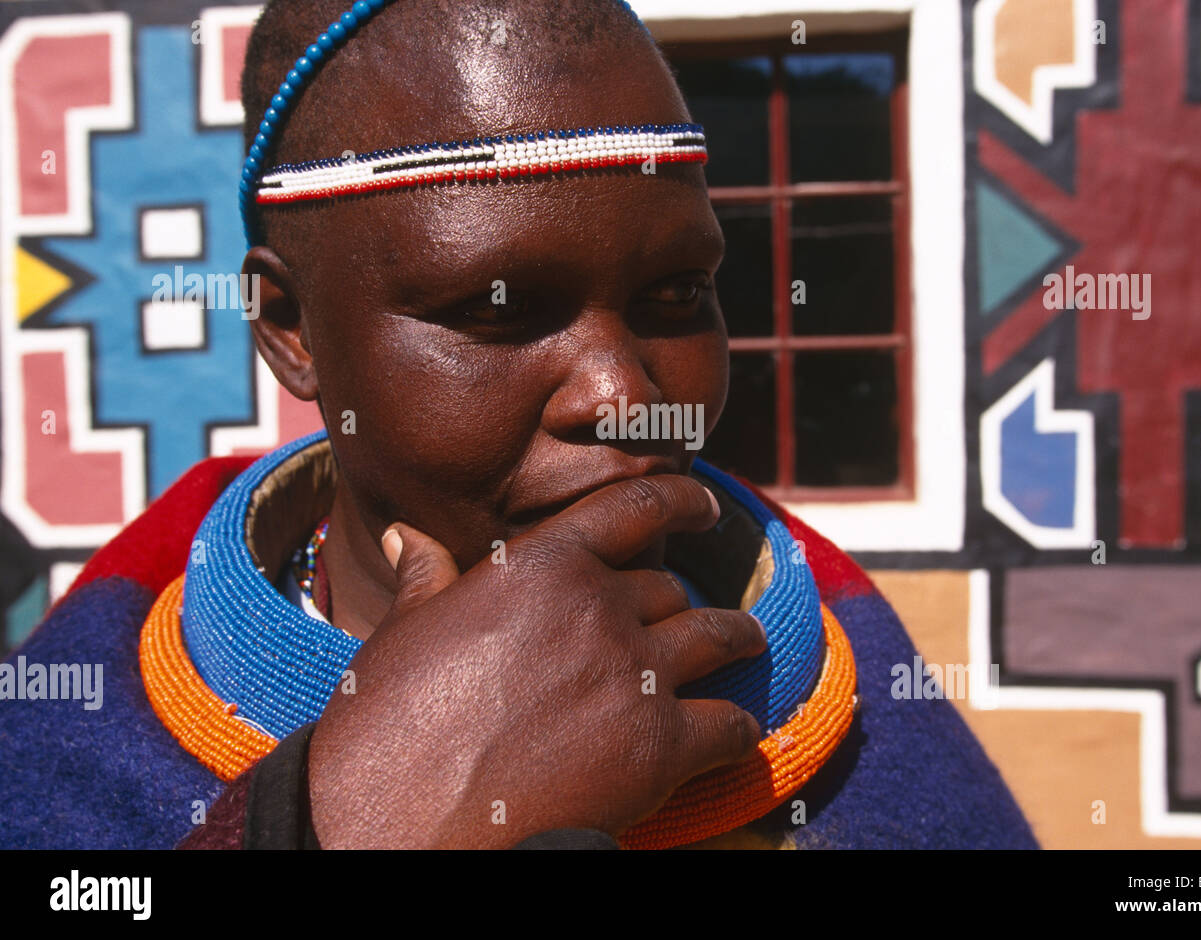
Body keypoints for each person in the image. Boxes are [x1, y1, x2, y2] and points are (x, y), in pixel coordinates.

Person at [0, 0, 1037, 850]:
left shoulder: (863, 724)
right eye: (494, 308)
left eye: (678, 295)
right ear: (290, 328)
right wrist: (343, 823)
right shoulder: (76, 744)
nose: (623, 396)